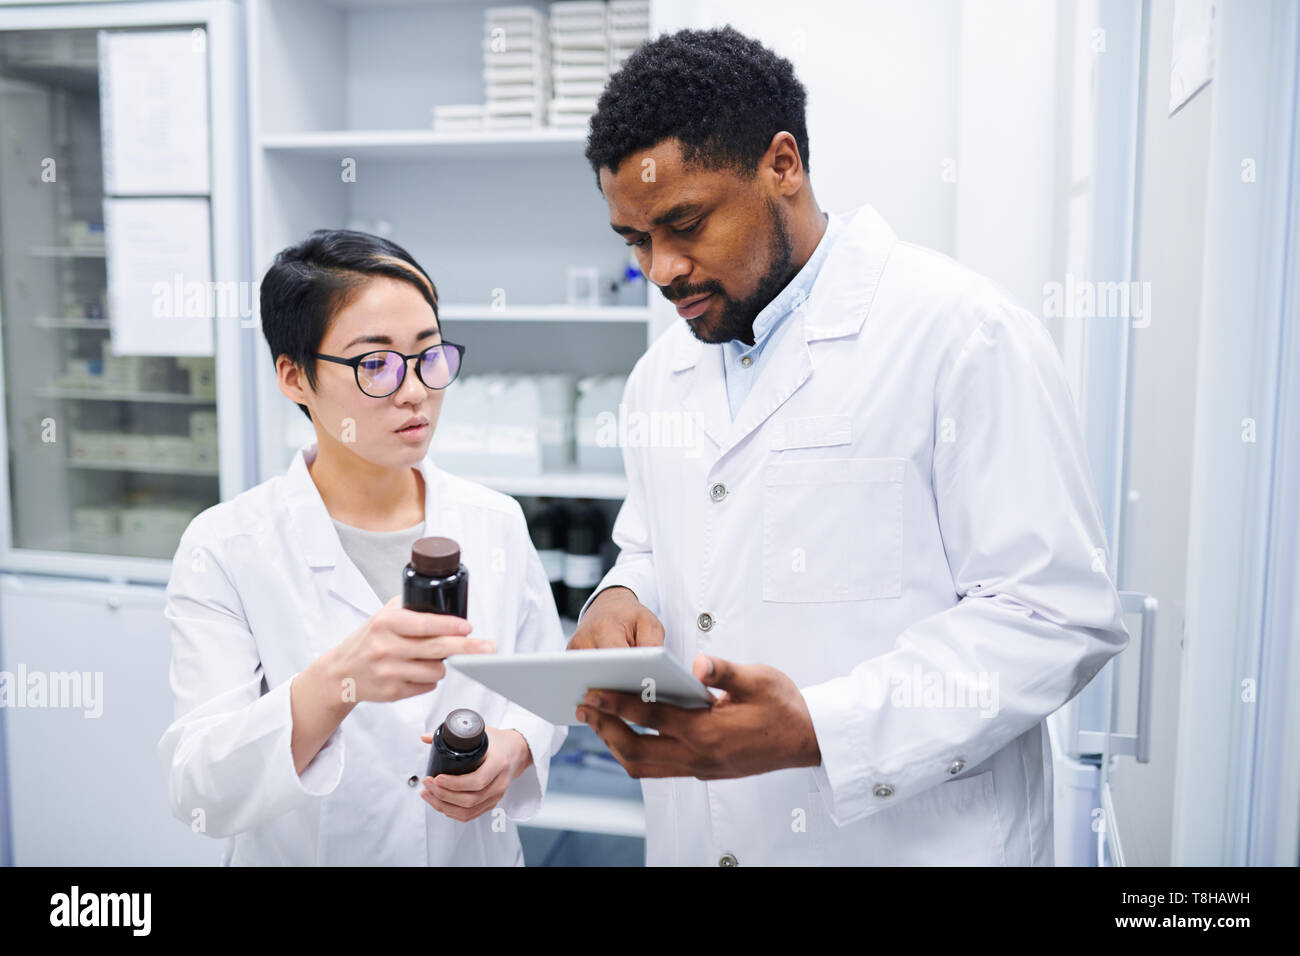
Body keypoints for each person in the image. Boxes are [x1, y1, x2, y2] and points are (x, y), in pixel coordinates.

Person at [568, 27, 1130, 866]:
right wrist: (617, 595)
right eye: (636, 241)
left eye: (685, 224)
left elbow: (1054, 615)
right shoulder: (661, 378)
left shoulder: (960, 335)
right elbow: (653, 545)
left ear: (781, 165)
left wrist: (821, 729)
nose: (662, 269)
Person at [157, 230, 567, 865]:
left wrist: (516, 748)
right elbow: (199, 786)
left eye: (429, 355)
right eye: (375, 364)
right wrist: (337, 683)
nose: (415, 390)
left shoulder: (495, 521)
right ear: (295, 377)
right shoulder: (225, 547)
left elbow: (544, 690)